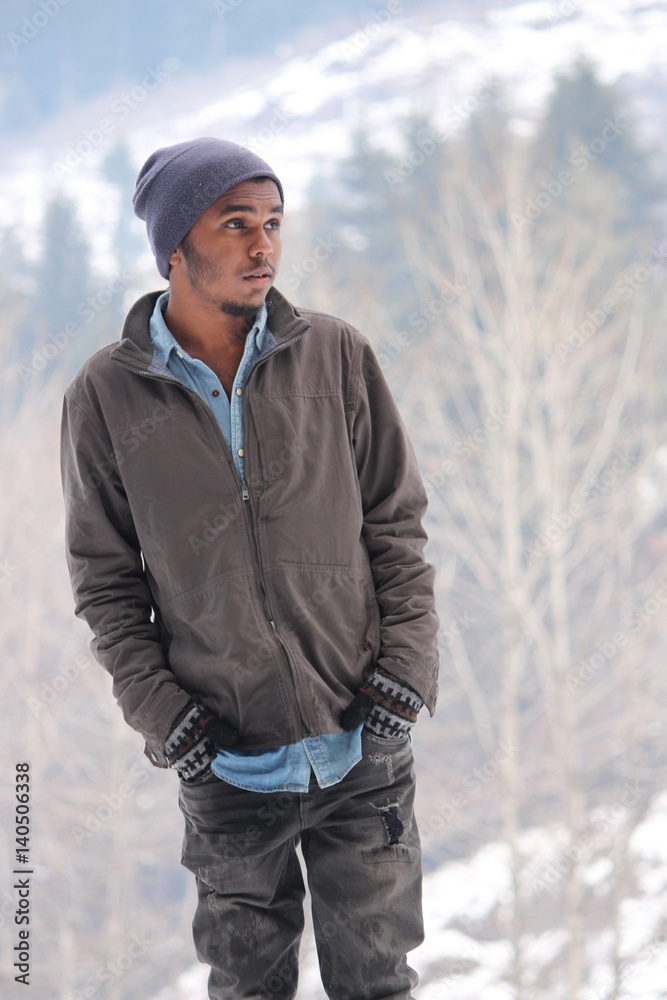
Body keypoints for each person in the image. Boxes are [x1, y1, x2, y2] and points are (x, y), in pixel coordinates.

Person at [60, 137, 439, 1000]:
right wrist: (168, 720)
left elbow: (396, 526)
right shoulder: (107, 397)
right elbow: (105, 585)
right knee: (247, 990)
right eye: (235, 225)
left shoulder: (335, 354)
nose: (263, 245)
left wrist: (405, 676)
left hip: (362, 745)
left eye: (273, 223)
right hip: (226, 763)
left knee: (378, 987)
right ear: (173, 247)